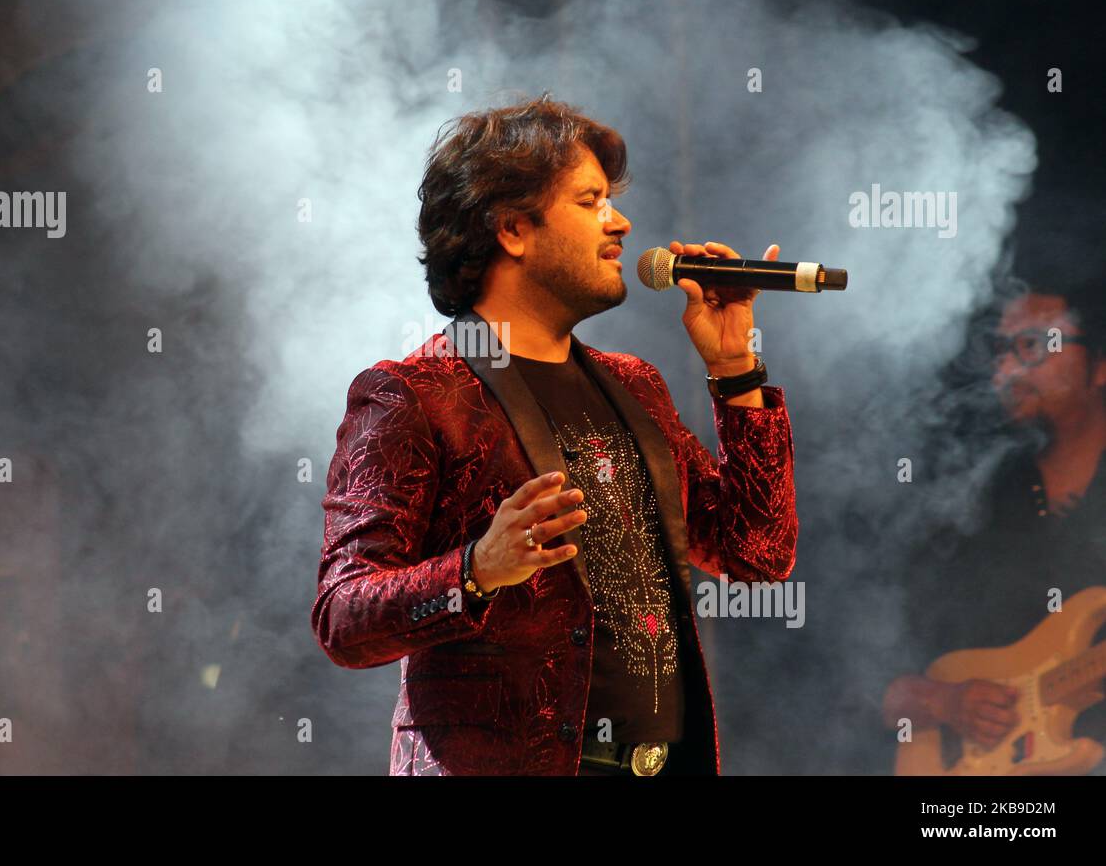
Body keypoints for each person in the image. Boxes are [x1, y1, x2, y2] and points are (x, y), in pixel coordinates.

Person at [312, 95, 799, 775]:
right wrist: (475, 569)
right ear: (513, 229)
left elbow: (758, 553)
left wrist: (734, 369)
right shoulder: (414, 394)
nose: (621, 222)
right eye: (590, 201)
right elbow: (342, 617)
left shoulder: (637, 385)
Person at [881, 286, 1106, 773]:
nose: (1006, 371)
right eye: (1001, 351)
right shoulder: (973, 498)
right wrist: (945, 703)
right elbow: (881, 669)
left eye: (1032, 346)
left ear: (1102, 364)